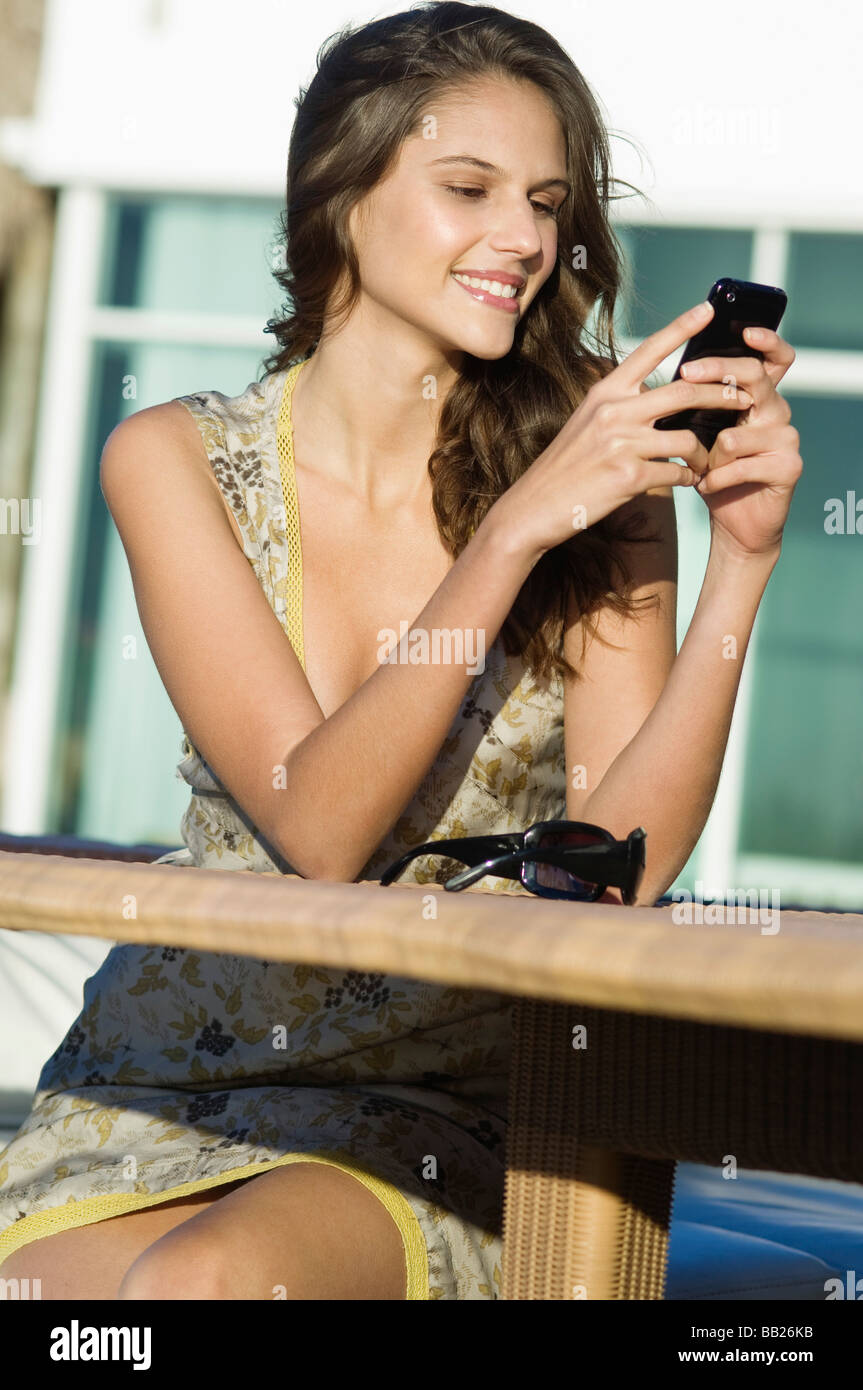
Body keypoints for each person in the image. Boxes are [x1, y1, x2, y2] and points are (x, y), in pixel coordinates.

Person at [0, 0, 801, 1300]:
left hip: (444, 1102)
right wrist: (515, 532)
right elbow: (321, 823)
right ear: (344, 197)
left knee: (199, 1291)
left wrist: (746, 568)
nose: (526, 237)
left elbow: (621, 869)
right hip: (161, 1088)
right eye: (469, 187)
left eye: (547, 200)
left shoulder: (607, 475)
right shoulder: (175, 460)